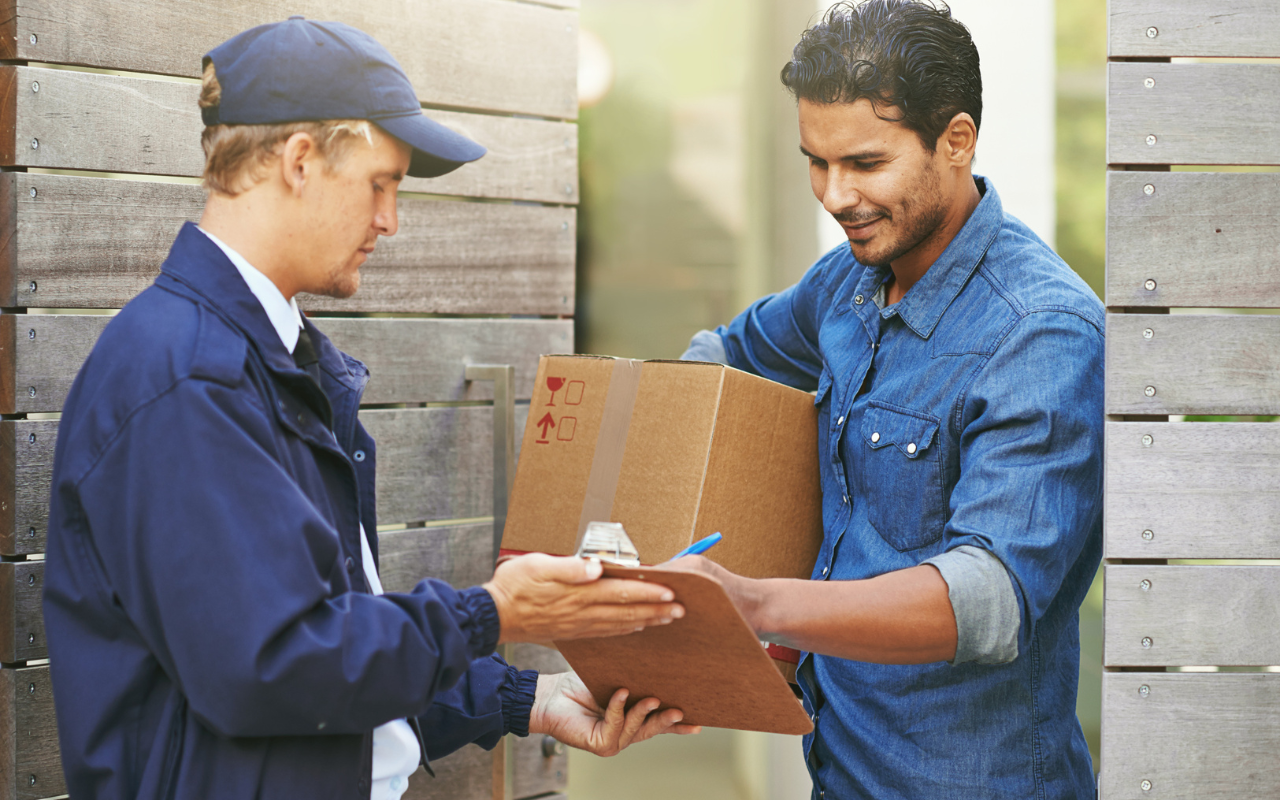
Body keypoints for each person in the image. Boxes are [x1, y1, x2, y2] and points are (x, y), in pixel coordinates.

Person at [43, 18, 696, 800]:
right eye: (381, 184)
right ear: (300, 161)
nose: (390, 220)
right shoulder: (187, 379)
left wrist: (530, 700)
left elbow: (329, 643)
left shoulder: (268, 359)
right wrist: (491, 614)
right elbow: (274, 668)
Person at [677, 2, 1102, 798]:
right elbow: (723, 357)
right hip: (841, 771)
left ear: (957, 140)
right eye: (815, 161)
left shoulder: (1043, 332)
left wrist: (761, 603)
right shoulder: (846, 282)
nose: (835, 196)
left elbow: (989, 599)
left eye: (865, 164)